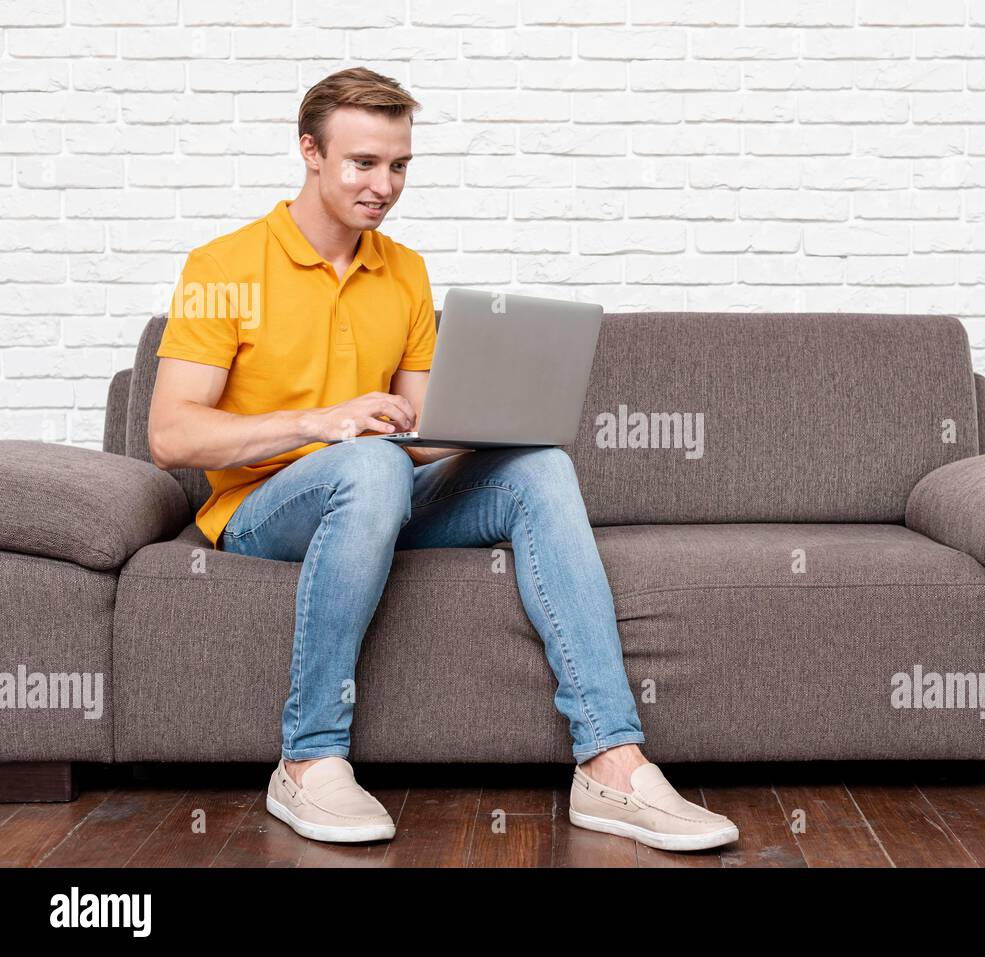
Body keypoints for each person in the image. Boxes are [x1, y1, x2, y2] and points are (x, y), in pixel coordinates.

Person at [147, 67, 737, 853]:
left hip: (382, 488)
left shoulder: (405, 271)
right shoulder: (221, 267)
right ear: (309, 153)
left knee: (537, 466)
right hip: (261, 511)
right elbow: (172, 436)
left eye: (399, 166)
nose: (384, 185)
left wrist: (487, 417)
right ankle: (307, 755)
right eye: (364, 163)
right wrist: (326, 422)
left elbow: (417, 435)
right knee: (367, 464)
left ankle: (610, 760)